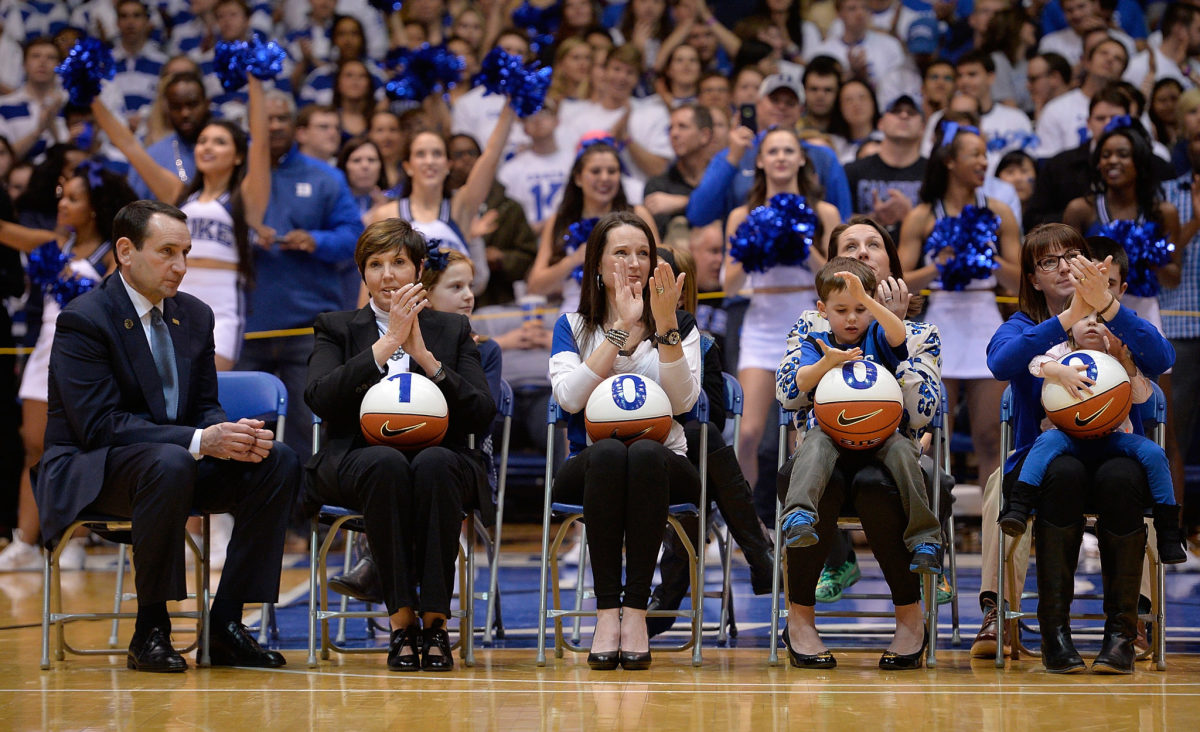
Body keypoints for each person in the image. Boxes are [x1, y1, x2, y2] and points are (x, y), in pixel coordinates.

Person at [36, 200, 299, 672]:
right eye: (167, 252)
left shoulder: (195, 315)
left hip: (170, 467)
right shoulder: (84, 319)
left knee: (276, 460)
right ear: (126, 251)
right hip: (94, 468)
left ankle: (226, 624)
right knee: (170, 461)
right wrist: (199, 440)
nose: (181, 266)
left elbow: (205, 405)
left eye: (186, 252)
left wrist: (231, 435)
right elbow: (99, 426)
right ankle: (151, 628)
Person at [306, 222, 496, 672]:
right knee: (386, 464)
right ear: (363, 274)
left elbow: (481, 412)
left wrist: (427, 359)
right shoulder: (335, 327)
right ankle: (401, 623)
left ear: (418, 269)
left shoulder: (451, 328)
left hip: (442, 459)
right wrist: (387, 343)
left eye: (398, 262)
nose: (387, 274)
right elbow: (320, 397)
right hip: (357, 461)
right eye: (375, 265)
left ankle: (436, 624)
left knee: (432, 464)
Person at [984, 224, 1173, 673]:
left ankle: (1127, 627)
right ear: (1033, 279)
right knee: (1046, 477)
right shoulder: (1023, 325)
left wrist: (1107, 305)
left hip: (1117, 455)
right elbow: (1000, 363)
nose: (1064, 267)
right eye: (1049, 262)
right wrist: (1067, 319)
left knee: (1124, 478)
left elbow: (1163, 359)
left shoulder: (1116, 317)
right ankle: (1033, 625)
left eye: (1072, 256)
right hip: (1047, 459)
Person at [548, 210, 702, 670]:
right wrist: (619, 332)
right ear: (597, 264)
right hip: (590, 465)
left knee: (646, 453)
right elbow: (569, 398)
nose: (634, 263)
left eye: (643, 253)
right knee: (611, 453)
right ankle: (605, 612)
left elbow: (683, 401)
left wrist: (664, 325)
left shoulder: (679, 324)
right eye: (620, 253)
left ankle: (633, 613)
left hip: (666, 464)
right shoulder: (572, 326)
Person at [779, 216, 947, 603]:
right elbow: (792, 389)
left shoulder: (885, 331)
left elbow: (899, 340)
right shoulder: (815, 336)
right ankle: (799, 517)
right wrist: (826, 363)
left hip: (885, 439)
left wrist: (875, 305)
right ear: (824, 306)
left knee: (905, 454)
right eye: (850, 248)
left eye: (873, 245)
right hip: (830, 438)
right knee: (812, 446)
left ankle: (926, 538)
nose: (852, 316)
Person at [0, 163, 137, 573]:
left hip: (88, 362)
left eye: (73, 198)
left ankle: (74, 539)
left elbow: (115, 305)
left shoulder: (113, 255)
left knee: (79, 451)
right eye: (62, 196)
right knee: (34, 447)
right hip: (45, 354)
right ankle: (26, 542)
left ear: (94, 208)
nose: (62, 204)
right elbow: (5, 230)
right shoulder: (53, 243)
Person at [999, 273, 1186, 563]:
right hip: (1067, 438)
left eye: (1100, 318)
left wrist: (1126, 364)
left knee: (1153, 452)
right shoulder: (1060, 352)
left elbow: (1143, 398)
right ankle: (1018, 507)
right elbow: (1035, 364)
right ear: (1067, 323)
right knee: (1044, 442)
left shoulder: (1119, 355)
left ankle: (1169, 530)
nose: (1091, 323)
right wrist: (1059, 371)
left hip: (1113, 439)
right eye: (1083, 316)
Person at [645, 244, 776, 637]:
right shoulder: (617, 335)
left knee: (701, 439)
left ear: (681, 292)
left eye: (666, 281)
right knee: (703, 447)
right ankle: (759, 550)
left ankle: (666, 600)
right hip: (635, 448)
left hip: (682, 459)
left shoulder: (701, 343)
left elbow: (713, 414)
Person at [238, 89, 363, 466]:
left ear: (296, 127)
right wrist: (247, 238)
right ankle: (243, 503)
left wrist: (315, 240)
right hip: (245, 326)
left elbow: (354, 238)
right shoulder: (236, 173)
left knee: (306, 429)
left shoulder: (326, 178)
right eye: (267, 119)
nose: (274, 126)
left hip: (307, 328)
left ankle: (302, 503)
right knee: (240, 429)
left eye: (282, 119)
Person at [899, 117, 1021, 498]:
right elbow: (898, 282)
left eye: (985, 155)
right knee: (932, 433)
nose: (984, 162)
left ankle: (993, 522)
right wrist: (938, 266)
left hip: (985, 323)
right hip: (940, 326)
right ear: (950, 161)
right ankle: (931, 521)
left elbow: (1021, 281)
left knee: (990, 434)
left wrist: (989, 259)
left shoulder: (1000, 211)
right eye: (975, 155)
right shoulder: (922, 215)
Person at [724, 124, 841, 494]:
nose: (780, 158)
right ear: (759, 161)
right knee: (747, 432)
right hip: (760, 324)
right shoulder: (743, 215)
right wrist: (753, 245)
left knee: (801, 434)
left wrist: (803, 244)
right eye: (772, 151)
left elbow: (836, 280)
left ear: (801, 158)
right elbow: (728, 285)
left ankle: (799, 514)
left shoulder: (824, 212)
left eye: (788, 150)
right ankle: (745, 519)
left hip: (809, 325)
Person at [366, 105, 515, 295]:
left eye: (437, 154)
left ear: (448, 165)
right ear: (408, 166)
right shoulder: (387, 214)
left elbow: (492, 154)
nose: (429, 161)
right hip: (407, 312)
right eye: (420, 154)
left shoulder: (461, 206)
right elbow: (369, 282)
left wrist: (511, 103)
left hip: (456, 311)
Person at [1062, 118, 1182, 333]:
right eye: (1106, 155)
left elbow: (1173, 278)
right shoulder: (1080, 209)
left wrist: (1148, 256)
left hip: (1144, 312)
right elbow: (1066, 272)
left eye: (1123, 154)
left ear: (1140, 162)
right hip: (1091, 312)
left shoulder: (1164, 212)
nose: (1112, 161)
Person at [526, 137, 657, 313]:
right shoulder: (559, 220)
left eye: (612, 171)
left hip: (632, 308)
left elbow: (660, 267)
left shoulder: (638, 214)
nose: (605, 178)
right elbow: (535, 287)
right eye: (595, 171)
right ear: (578, 178)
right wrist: (574, 260)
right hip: (575, 311)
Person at [844, 93, 925, 244]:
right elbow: (838, 222)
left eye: (911, 112)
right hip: (863, 254)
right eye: (896, 111)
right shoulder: (852, 171)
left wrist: (910, 216)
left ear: (923, 127)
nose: (904, 115)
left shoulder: (934, 173)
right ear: (880, 123)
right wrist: (874, 219)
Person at [127, 70, 211, 200]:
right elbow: (135, 208)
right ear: (167, 109)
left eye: (192, 104)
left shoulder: (229, 148)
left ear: (207, 104)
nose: (185, 113)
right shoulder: (152, 156)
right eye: (176, 107)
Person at [496, 98, 574, 236]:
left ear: (557, 120)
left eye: (544, 113)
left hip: (569, 235)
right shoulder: (510, 170)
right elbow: (507, 217)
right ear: (524, 127)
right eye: (530, 115)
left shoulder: (574, 161)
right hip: (528, 241)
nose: (538, 119)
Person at [643, 104, 714, 236]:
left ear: (704, 135)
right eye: (670, 128)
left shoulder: (721, 179)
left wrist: (683, 202)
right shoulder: (657, 186)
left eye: (683, 126)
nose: (674, 134)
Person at [337, 136, 389, 223]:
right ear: (344, 166)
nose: (365, 166)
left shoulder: (394, 204)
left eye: (371, 160)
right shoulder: (332, 204)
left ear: (381, 166)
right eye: (356, 160)